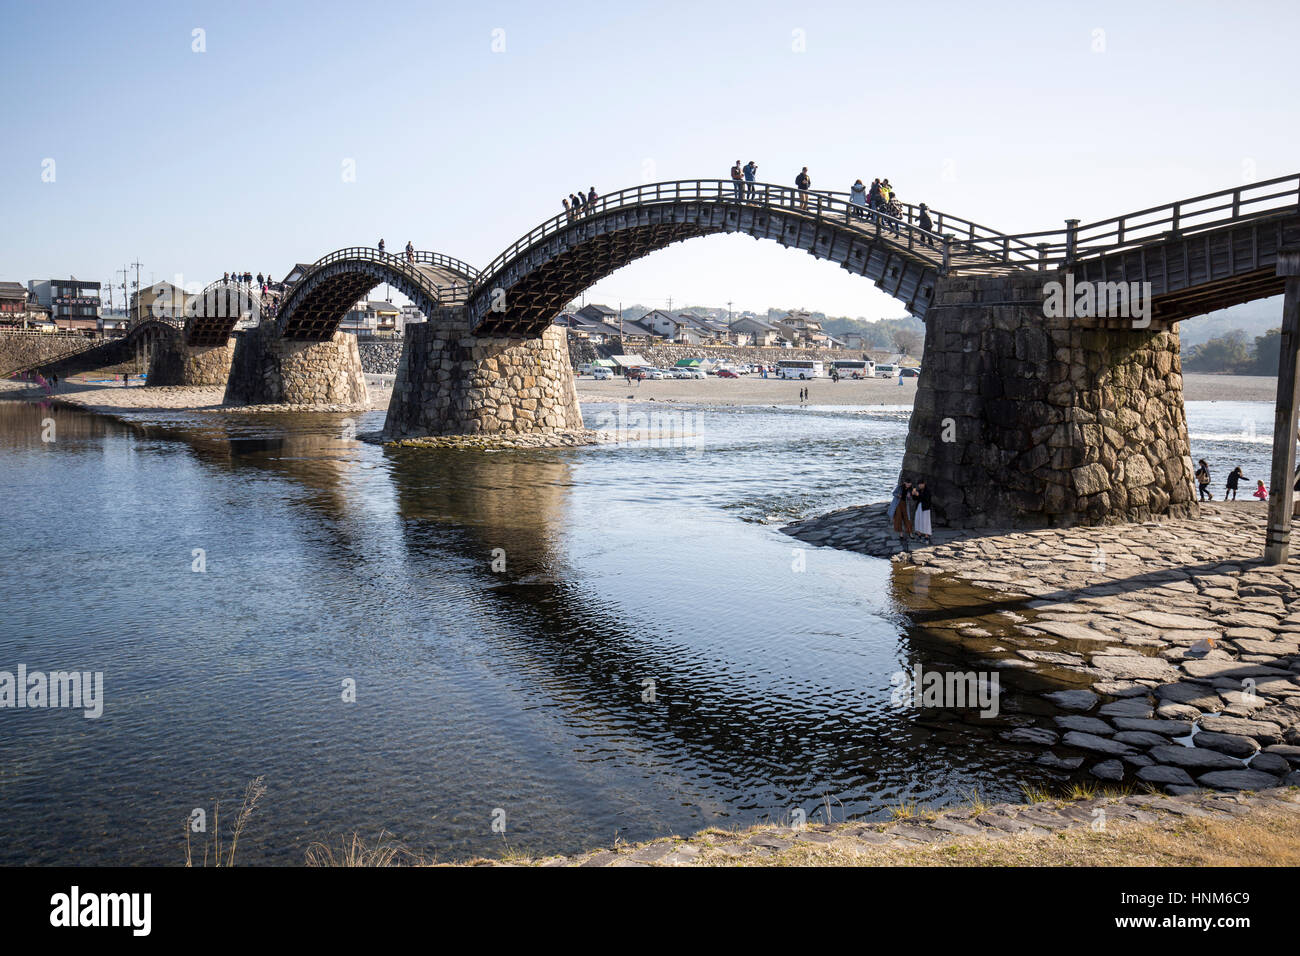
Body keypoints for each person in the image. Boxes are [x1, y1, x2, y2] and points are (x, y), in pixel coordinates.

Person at [889, 478, 914, 553]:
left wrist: (910, 496)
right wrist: (898, 495)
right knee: (898, 518)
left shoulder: (911, 489)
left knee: (907, 519)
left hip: (905, 505)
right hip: (898, 504)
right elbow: (893, 493)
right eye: (907, 483)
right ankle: (901, 534)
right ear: (904, 483)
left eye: (909, 483)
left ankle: (910, 533)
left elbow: (911, 498)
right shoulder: (899, 487)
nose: (908, 484)